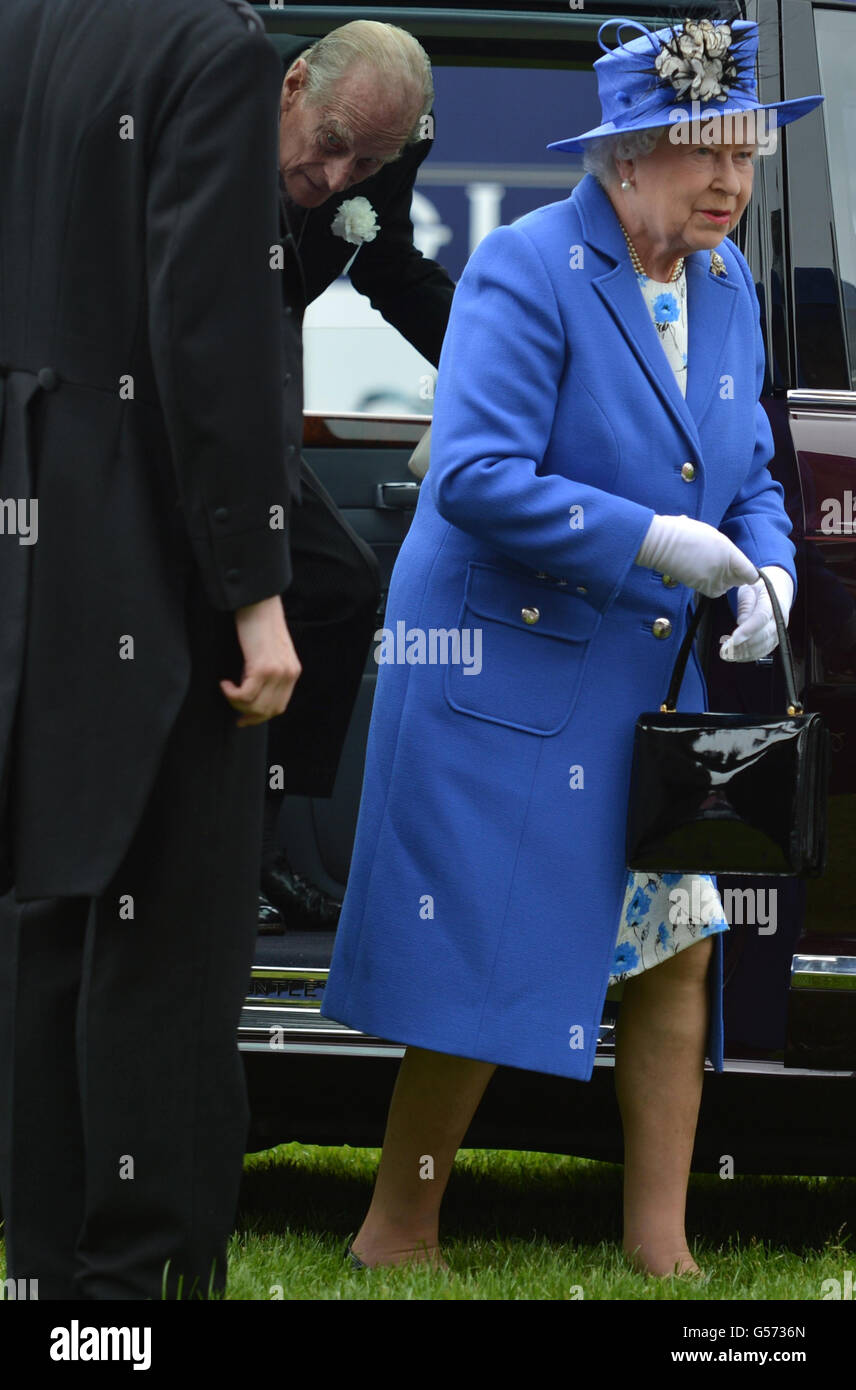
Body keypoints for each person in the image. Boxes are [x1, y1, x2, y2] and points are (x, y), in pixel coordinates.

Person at [320, 16, 823, 1276]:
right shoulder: (524, 266)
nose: (728, 184)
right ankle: (399, 1228)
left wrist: (766, 564)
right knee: (486, 946)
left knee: (673, 945)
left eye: (745, 158)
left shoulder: (721, 285)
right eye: (702, 154)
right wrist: (657, 542)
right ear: (624, 160)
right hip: (507, 671)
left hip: (644, 684)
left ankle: (667, 1254)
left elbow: (751, 470)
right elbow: (477, 477)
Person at [0, 0, 301, 1299]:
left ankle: (57, 1275)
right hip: (154, 571)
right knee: (167, 959)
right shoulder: (216, 52)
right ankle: (140, 1290)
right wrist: (257, 591)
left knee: (52, 930)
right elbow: (210, 329)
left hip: (32, 556)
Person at [258, 20, 455, 931]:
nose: (341, 181)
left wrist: (509, 371)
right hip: (159, 405)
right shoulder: (206, 113)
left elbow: (388, 269)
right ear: (294, 84)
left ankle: (258, 850)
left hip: (255, 413)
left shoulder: (383, 153)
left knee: (335, 586)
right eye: (334, 146)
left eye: (367, 168)